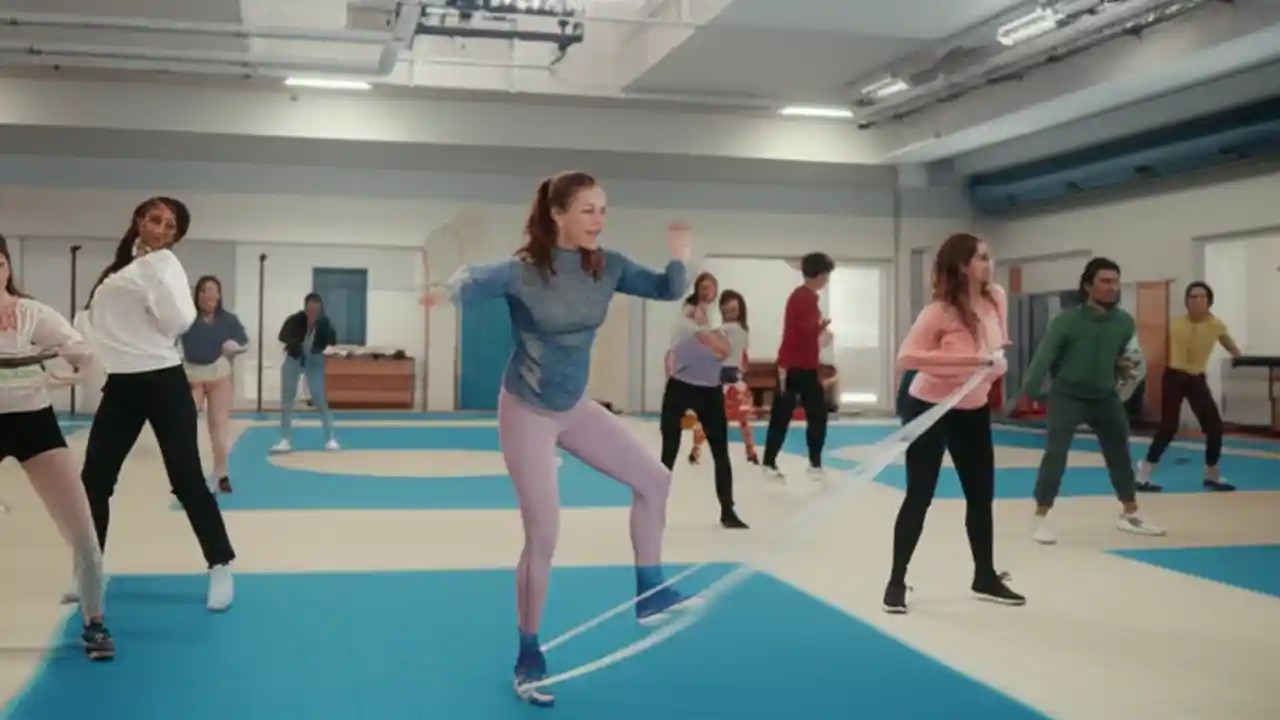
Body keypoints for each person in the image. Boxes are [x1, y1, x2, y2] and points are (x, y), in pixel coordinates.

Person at [420, 170, 700, 708]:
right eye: (589, 210)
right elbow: (468, 282)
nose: (599, 219)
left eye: (603, 210)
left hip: (574, 408)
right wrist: (445, 288)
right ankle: (529, 656)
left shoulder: (608, 266)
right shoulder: (521, 272)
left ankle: (651, 591)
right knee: (545, 533)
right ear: (558, 214)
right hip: (526, 411)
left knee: (655, 481)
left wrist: (679, 255)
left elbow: (667, 288)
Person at [79, 196, 237, 612]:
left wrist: (153, 277)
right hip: (122, 386)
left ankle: (220, 564)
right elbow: (95, 322)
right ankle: (90, 570)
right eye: (156, 220)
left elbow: (178, 321)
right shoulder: (118, 271)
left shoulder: (164, 266)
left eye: (171, 227)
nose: (162, 230)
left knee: (185, 479)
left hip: (164, 381)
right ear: (138, 221)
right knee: (94, 479)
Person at [886, 233, 1024, 614]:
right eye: (980, 257)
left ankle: (985, 576)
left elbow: (995, 351)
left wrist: (994, 366)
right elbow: (906, 358)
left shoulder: (996, 298)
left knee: (981, 496)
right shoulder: (938, 311)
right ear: (963, 266)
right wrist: (969, 364)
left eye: (988, 256)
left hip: (973, 409)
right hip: (930, 406)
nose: (988, 263)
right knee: (920, 494)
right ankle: (896, 581)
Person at [0, 233, 113, 659]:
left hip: (34, 424)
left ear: (8, 266)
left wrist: (65, 375)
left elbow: (82, 355)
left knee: (81, 527)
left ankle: (95, 622)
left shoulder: (33, 313)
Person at [1020, 257, 1165, 545]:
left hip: (1104, 396)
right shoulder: (1066, 322)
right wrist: (1034, 393)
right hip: (1068, 395)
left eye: (1116, 281)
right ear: (1088, 286)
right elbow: (1043, 360)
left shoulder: (1124, 323)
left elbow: (1125, 359)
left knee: (1120, 454)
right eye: (1105, 281)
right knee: (1056, 455)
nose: (1112, 287)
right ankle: (1040, 516)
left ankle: (1130, 513)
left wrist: (1122, 372)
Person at [1138, 281, 1241, 491]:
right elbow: (1154, 343)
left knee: (1214, 427)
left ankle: (1212, 474)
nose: (1197, 301)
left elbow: (1227, 341)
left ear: (1209, 301)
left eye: (1202, 297)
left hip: (1196, 379)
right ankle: (1144, 472)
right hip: (1174, 376)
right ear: (1186, 301)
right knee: (1168, 427)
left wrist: (1237, 355)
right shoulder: (1174, 323)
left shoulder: (1216, 325)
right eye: (1192, 297)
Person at [659, 295, 749, 530]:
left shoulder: (720, 335)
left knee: (721, 451)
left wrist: (711, 339)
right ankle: (655, 509)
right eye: (694, 311)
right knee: (668, 452)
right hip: (680, 389)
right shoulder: (685, 335)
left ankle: (727, 510)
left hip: (709, 392)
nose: (696, 315)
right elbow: (674, 361)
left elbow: (727, 356)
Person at [761, 252, 835, 481]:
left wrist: (819, 329)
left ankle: (813, 463)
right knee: (784, 414)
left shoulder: (808, 298)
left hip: (805, 365)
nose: (827, 279)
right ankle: (770, 462)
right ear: (819, 274)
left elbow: (806, 331)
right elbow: (804, 329)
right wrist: (821, 327)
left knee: (816, 413)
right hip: (793, 366)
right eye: (826, 274)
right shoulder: (802, 297)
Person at [181, 275, 249, 492]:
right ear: (196, 295)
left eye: (212, 291)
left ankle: (222, 474)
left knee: (219, 427)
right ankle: (189, 475)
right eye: (203, 291)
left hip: (219, 374)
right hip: (192, 375)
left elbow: (243, 342)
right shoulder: (186, 318)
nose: (208, 295)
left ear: (219, 295)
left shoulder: (228, 319)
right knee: (185, 426)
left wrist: (234, 348)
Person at [689, 289, 760, 465]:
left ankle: (749, 451)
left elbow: (742, 356)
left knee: (724, 419)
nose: (730, 314)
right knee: (735, 419)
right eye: (726, 311)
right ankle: (749, 451)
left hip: (730, 379)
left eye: (733, 310)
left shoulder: (730, 331)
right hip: (725, 379)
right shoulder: (727, 331)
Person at [271, 292, 338, 453]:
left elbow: (333, 340)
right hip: (294, 358)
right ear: (306, 308)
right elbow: (283, 335)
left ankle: (330, 438)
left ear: (320, 309)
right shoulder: (296, 319)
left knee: (320, 399)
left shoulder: (324, 322)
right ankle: (284, 439)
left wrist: (323, 327)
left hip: (314, 360)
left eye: (317, 309)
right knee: (287, 399)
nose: (313, 312)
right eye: (311, 309)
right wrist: (296, 342)